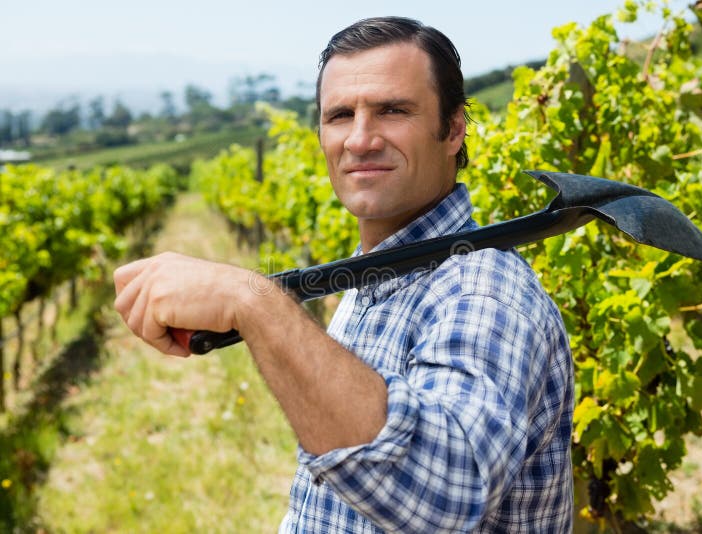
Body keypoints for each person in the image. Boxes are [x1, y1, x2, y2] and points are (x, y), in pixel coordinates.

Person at [114, 16, 574, 532]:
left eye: (392, 110)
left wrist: (253, 301)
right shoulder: (370, 283)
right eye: (339, 115)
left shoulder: (484, 292)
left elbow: (444, 498)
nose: (359, 140)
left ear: (453, 130)